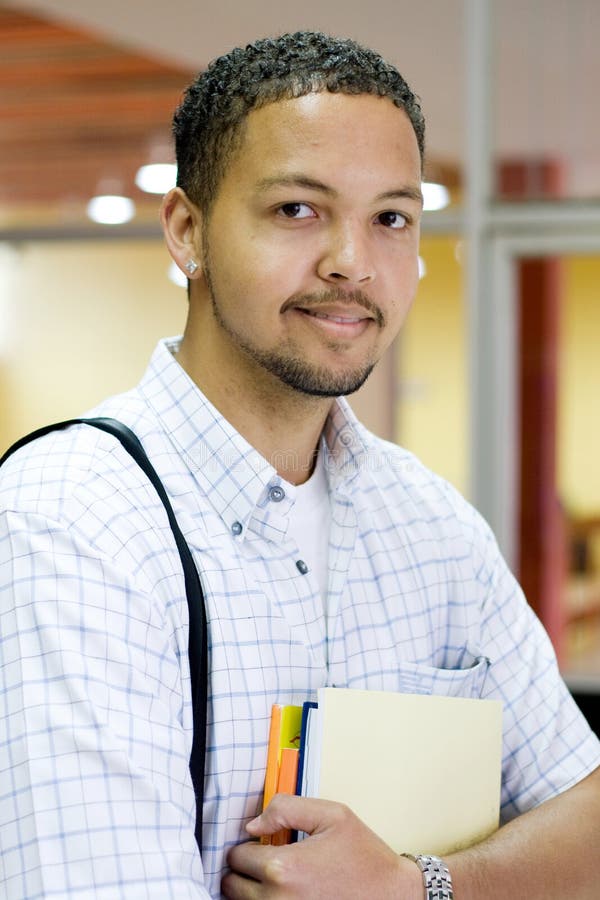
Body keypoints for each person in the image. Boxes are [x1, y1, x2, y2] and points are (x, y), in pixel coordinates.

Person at [1, 30, 599, 900]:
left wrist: (414, 887)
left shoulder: (429, 523)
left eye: (391, 217)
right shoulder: (71, 525)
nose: (352, 263)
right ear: (188, 231)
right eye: (297, 210)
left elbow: (585, 819)